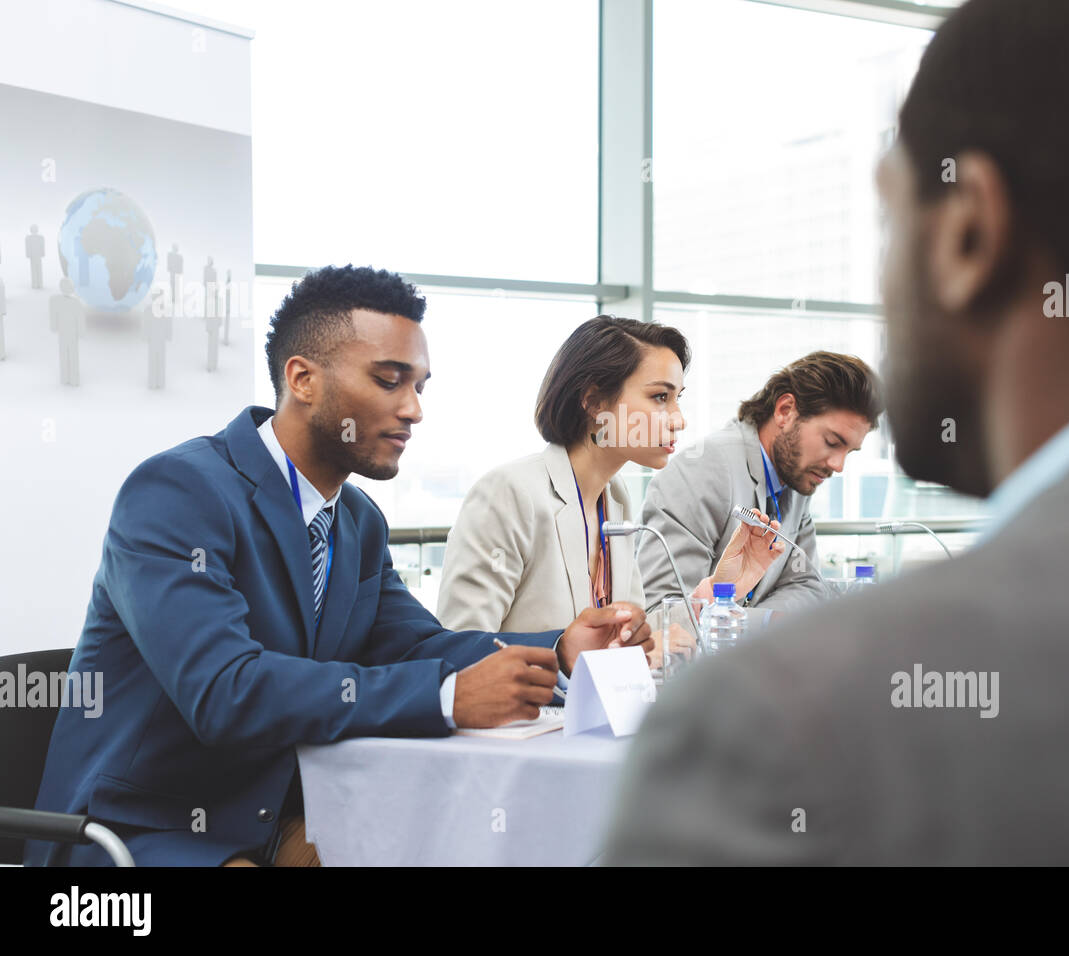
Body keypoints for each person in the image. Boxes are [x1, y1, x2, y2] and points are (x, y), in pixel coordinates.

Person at [605, 0, 1069, 865]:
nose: (843, 459)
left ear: (969, 232)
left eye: (894, 217)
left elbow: (804, 596)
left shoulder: (783, 733)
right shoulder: (721, 491)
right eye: (836, 443)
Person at [26, 265, 651, 867]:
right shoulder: (178, 493)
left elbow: (416, 643)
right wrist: (444, 696)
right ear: (302, 379)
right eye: (389, 380)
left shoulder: (355, 519)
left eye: (420, 386)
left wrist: (560, 649)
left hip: (279, 816)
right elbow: (223, 691)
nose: (414, 409)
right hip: (138, 832)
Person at [436, 315, 784, 667]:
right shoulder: (510, 493)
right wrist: (611, 658)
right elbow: (461, 650)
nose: (678, 420)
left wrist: (719, 593)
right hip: (526, 719)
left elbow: (636, 635)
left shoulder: (614, 499)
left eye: (677, 398)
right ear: (593, 401)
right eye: (660, 396)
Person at [637, 351, 882, 624]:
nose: (838, 465)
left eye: (850, 451)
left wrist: (754, 623)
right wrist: (760, 625)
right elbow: (662, 613)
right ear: (785, 411)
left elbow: (808, 585)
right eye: (832, 442)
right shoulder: (704, 470)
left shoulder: (795, 476)